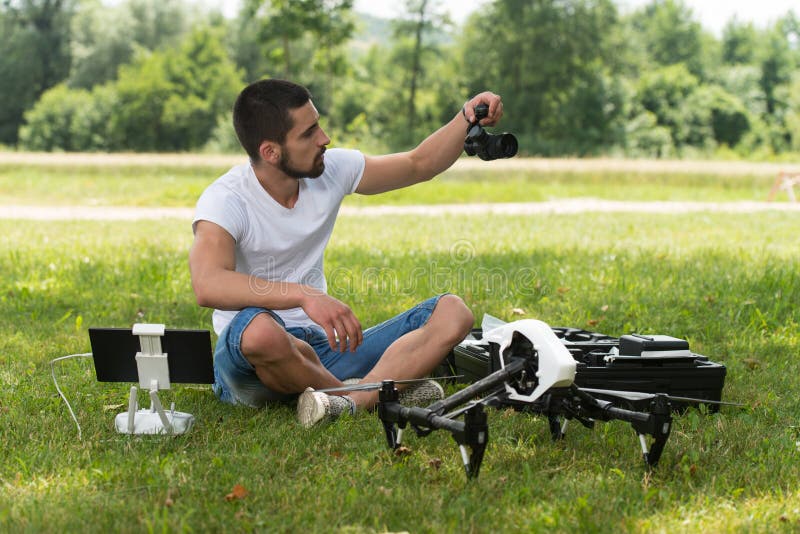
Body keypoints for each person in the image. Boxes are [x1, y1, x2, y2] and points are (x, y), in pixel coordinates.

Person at [189, 79, 504, 427]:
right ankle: (369, 394)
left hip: (323, 352)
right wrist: (304, 295)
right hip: (252, 364)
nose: (324, 138)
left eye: (318, 124)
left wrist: (465, 117)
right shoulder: (226, 199)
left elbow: (419, 164)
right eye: (309, 133)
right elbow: (208, 283)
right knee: (261, 332)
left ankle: (349, 402)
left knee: (452, 313)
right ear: (270, 152)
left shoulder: (331, 169)